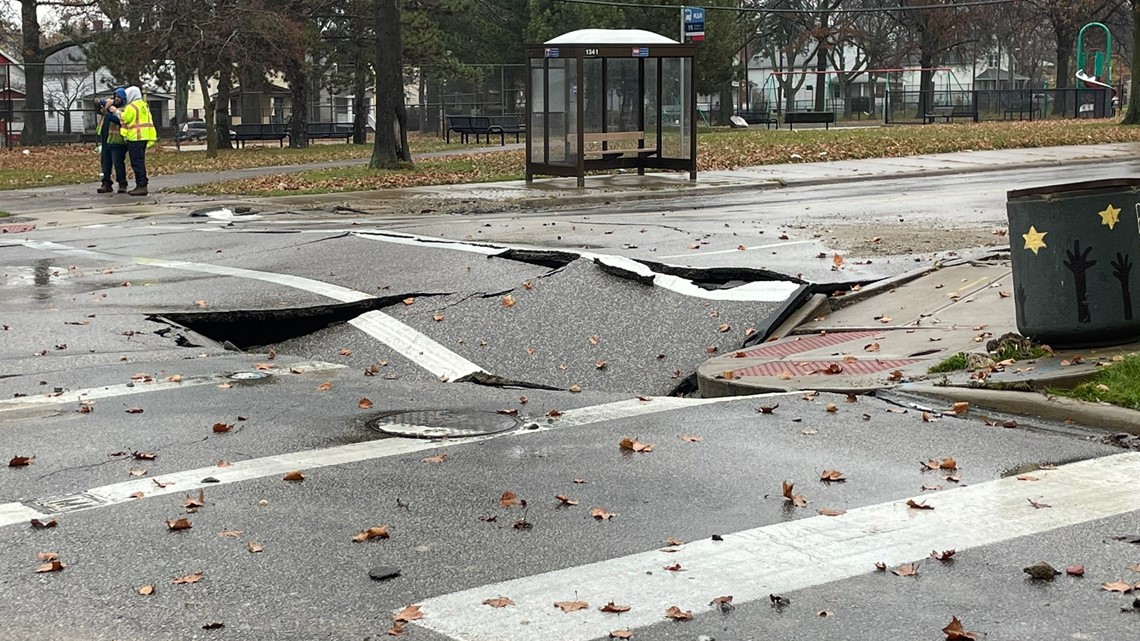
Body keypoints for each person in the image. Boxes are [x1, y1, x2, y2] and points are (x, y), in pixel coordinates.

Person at [117, 85, 157, 196]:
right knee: (140, 161)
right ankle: (142, 184)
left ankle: (141, 185)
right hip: (144, 137)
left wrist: (116, 111)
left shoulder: (132, 106)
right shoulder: (143, 105)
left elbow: (124, 118)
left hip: (135, 137)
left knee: (136, 163)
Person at [95, 90, 128, 194]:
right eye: (115, 96)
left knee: (118, 164)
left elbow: (120, 120)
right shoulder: (109, 107)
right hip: (106, 140)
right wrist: (98, 104)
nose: (116, 99)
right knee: (105, 163)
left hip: (118, 141)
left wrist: (108, 112)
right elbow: (99, 111)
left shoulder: (124, 109)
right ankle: (106, 183)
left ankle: (122, 184)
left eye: (119, 97)